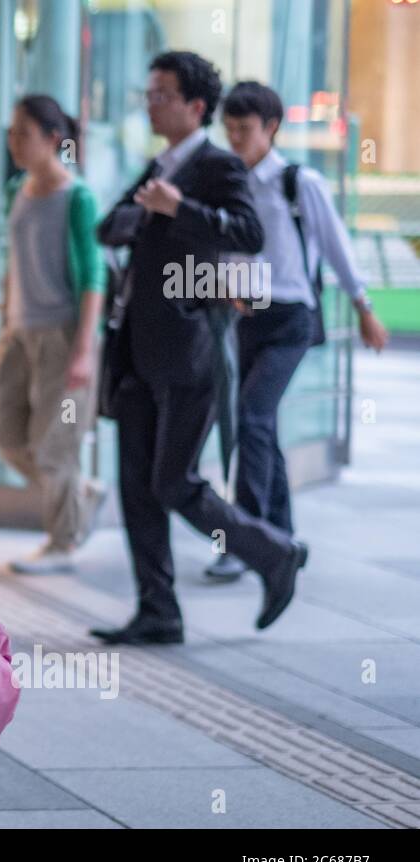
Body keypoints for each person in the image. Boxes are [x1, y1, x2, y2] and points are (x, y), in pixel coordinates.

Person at [93, 51, 307, 646]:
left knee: (173, 482)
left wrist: (177, 209)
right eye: (149, 92)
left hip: (192, 349)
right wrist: (146, 214)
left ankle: (271, 552)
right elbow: (108, 227)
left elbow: (248, 232)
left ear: (194, 106)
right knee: (137, 486)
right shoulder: (156, 164)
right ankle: (157, 612)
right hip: (135, 349)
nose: (150, 103)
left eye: (162, 94)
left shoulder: (215, 165)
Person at [204, 81, 390, 582]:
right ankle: (281, 536)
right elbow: (225, 246)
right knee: (260, 425)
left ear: (271, 128)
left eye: (245, 129)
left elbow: (335, 245)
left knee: (251, 417)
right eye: (230, 129)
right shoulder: (229, 182)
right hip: (247, 317)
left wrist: (364, 307)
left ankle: (247, 543)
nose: (237, 138)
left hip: (291, 318)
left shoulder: (297, 182)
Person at [0, 95, 108, 575]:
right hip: (20, 334)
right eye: (12, 131)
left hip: (64, 337)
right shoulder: (18, 189)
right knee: (6, 437)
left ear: (53, 140)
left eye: (24, 132)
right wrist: (5, 326)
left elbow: (92, 278)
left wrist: (83, 350)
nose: (14, 141)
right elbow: (14, 266)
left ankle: (62, 544)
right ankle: (81, 494)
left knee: (53, 445)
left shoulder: (76, 197)